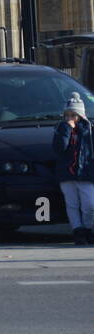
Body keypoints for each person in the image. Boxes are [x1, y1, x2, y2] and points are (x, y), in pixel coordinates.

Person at [52, 93, 94, 245]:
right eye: (67, 115)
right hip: (67, 174)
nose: (70, 118)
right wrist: (66, 130)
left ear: (81, 115)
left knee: (89, 204)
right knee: (72, 204)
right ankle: (78, 230)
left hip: (85, 173)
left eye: (74, 115)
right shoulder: (62, 129)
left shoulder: (88, 130)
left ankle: (88, 228)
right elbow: (59, 148)